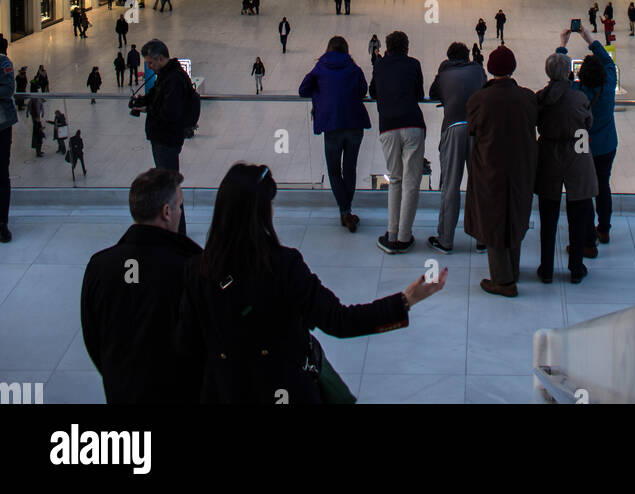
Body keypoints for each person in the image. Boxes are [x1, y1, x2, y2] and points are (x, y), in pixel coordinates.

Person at [174, 163, 446, 403]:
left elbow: (187, 349)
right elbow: (340, 321)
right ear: (260, 212)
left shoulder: (196, 271)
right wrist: (406, 300)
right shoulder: (282, 266)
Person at [81, 169, 203, 403]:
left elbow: (93, 336)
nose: (179, 212)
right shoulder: (190, 267)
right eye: (179, 206)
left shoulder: (100, 265)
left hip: (122, 391)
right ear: (167, 212)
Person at [465, 46, 537, 297]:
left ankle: (503, 280)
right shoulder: (528, 98)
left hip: (491, 169)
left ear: (489, 69)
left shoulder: (479, 100)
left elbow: (472, 129)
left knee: (493, 219)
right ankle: (513, 270)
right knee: (515, 216)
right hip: (521, 168)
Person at [535, 50, 597, 284]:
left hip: (549, 153)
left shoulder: (541, 98)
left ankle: (547, 269)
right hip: (577, 151)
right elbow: (588, 123)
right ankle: (576, 267)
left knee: (548, 218)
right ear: (569, 73)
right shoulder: (579, 98)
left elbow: (536, 121)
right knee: (578, 215)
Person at [299, 36, 371, 230]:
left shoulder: (321, 68)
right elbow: (363, 90)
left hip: (332, 125)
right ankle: (347, 211)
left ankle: (345, 211)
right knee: (350, 169)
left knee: (333, 170)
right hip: (354, 124)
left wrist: (321, 95)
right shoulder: (354, 68)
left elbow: (303, 89)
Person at [131, 40, 197, 236]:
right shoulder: (166, 75)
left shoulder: (174, 78)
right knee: (167, 186)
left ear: (161, 58)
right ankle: (172, 230)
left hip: (167, 140)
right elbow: (157, 96)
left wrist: (147, 109)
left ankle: (177, 232)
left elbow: (170, 111)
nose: (148, 66)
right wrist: (143, 102)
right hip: (162, 138)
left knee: (169, 188)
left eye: (151, 62)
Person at [370, 32, 425, 254]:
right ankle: (404, 236)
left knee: (395, 179)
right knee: (411, 181)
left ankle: (392, 232)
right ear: (407, 47)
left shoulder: (380, 65)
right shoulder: (413, 64)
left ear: (387, 47)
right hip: (412, 124)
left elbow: (372, 91)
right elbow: (419, 94)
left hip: (389, 126)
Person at [427, 43, 486, 254]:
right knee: (478, 183)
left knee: (451, 185)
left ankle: (446, 239)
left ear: (448, 57)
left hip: (453, 126)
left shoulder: (445, 73)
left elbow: (433, 93)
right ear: (468, 56)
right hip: (477, 129)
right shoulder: (478, 70)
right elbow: (484, 88)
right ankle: (482, 238)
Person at [573, 24, 618, 252]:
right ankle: (604, 227)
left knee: (584, 188)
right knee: (603, 185)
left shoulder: (577, 91)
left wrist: (562, 47)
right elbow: (610, 63)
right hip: (608, 144)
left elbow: (558, 79)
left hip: (583, 144)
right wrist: (589, 39)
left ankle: (588, 233)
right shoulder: (609, 84)